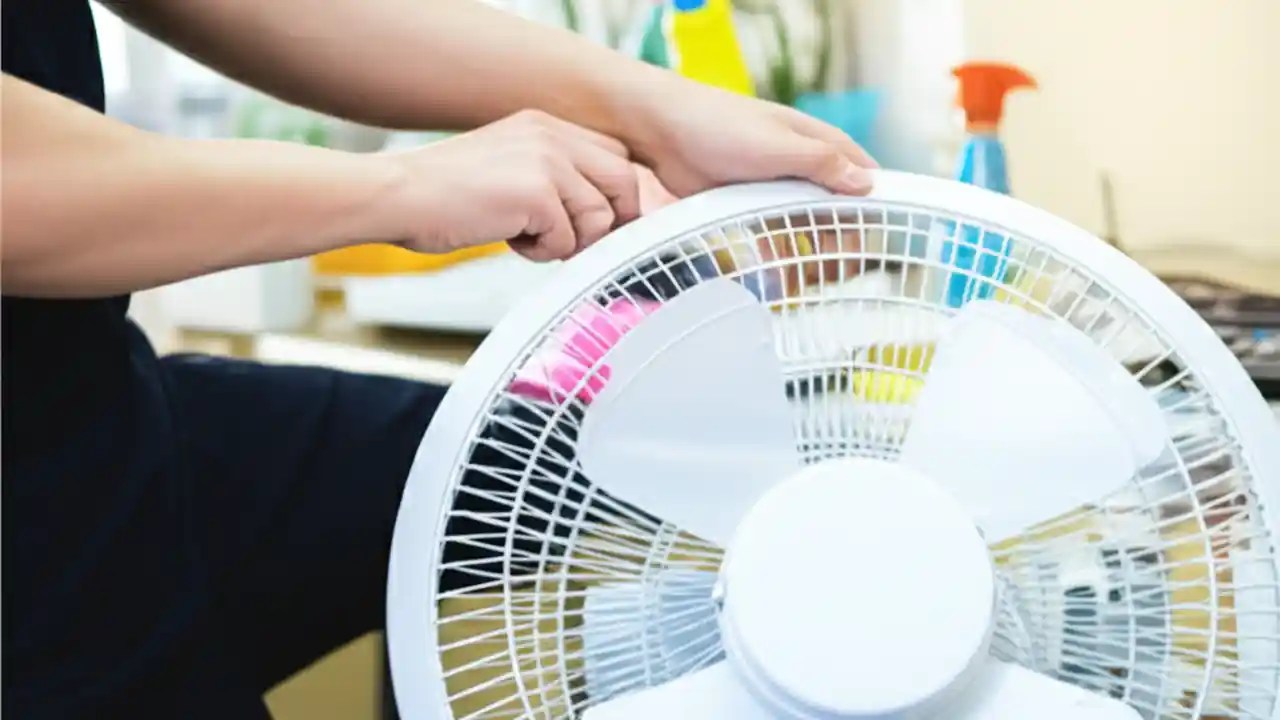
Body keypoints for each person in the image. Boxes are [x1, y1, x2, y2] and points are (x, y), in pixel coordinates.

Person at [1, 1, 877, 717]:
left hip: (104, 413)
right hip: (32, 559)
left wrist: (656, 110)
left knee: (512, 476)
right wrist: (411, 188)